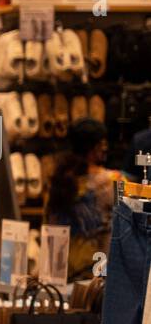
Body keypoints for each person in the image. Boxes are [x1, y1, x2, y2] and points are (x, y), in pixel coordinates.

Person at [46, 117, 123, 280]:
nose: (106, 148)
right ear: (94, 147)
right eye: (103, 143)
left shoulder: (59, 181)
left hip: (62, 271)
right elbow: (127, 227)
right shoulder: (113, 181)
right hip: (98, 272)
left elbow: (49, 227)